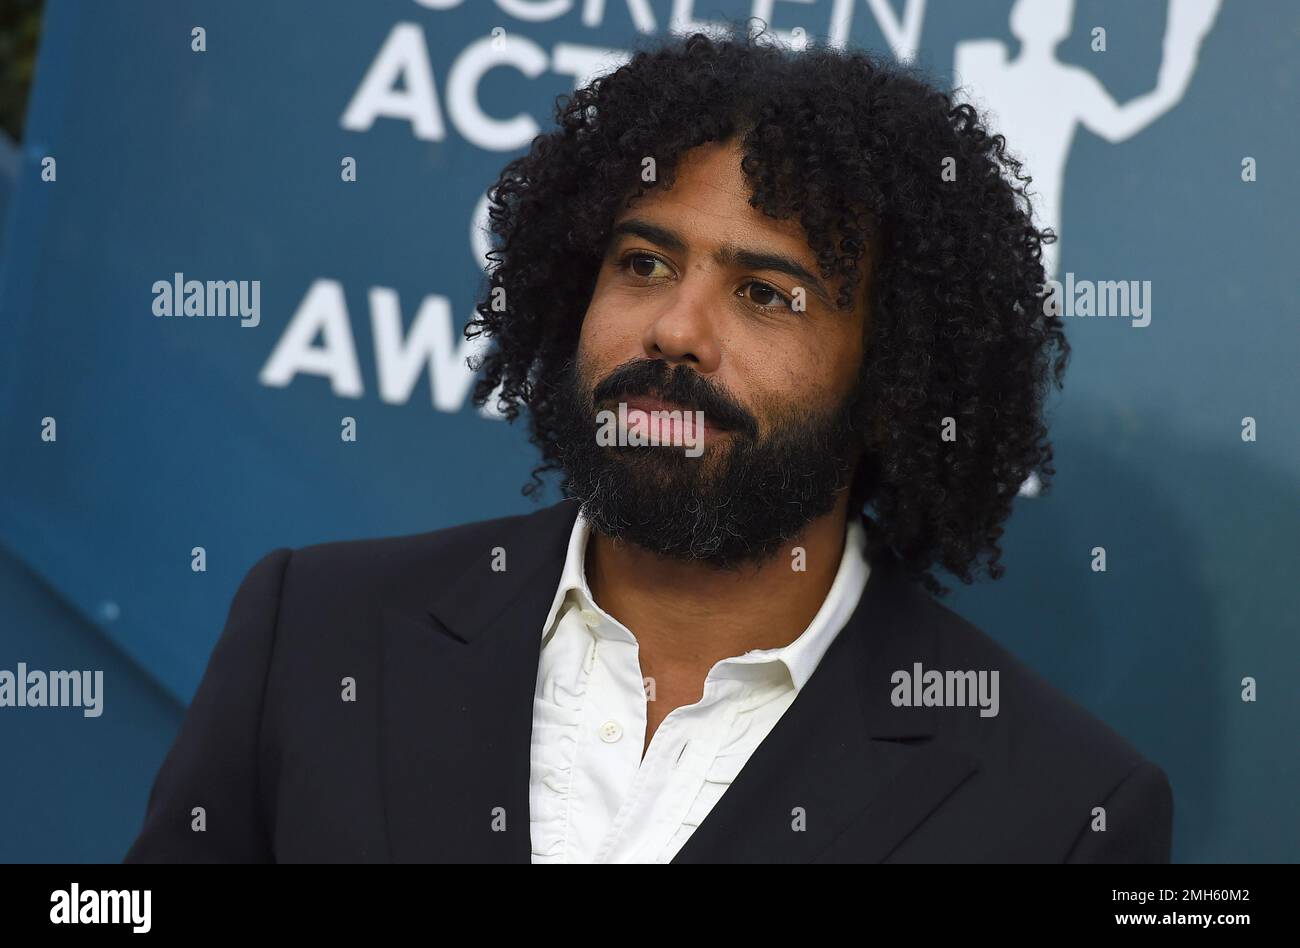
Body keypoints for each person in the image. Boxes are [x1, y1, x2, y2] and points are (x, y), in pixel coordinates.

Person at [124, 29, 1172, 864]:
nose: (674, 329)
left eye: (765, 293)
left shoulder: (1059, 810)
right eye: (641, 263)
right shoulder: (316, 632)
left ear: (895, 388)